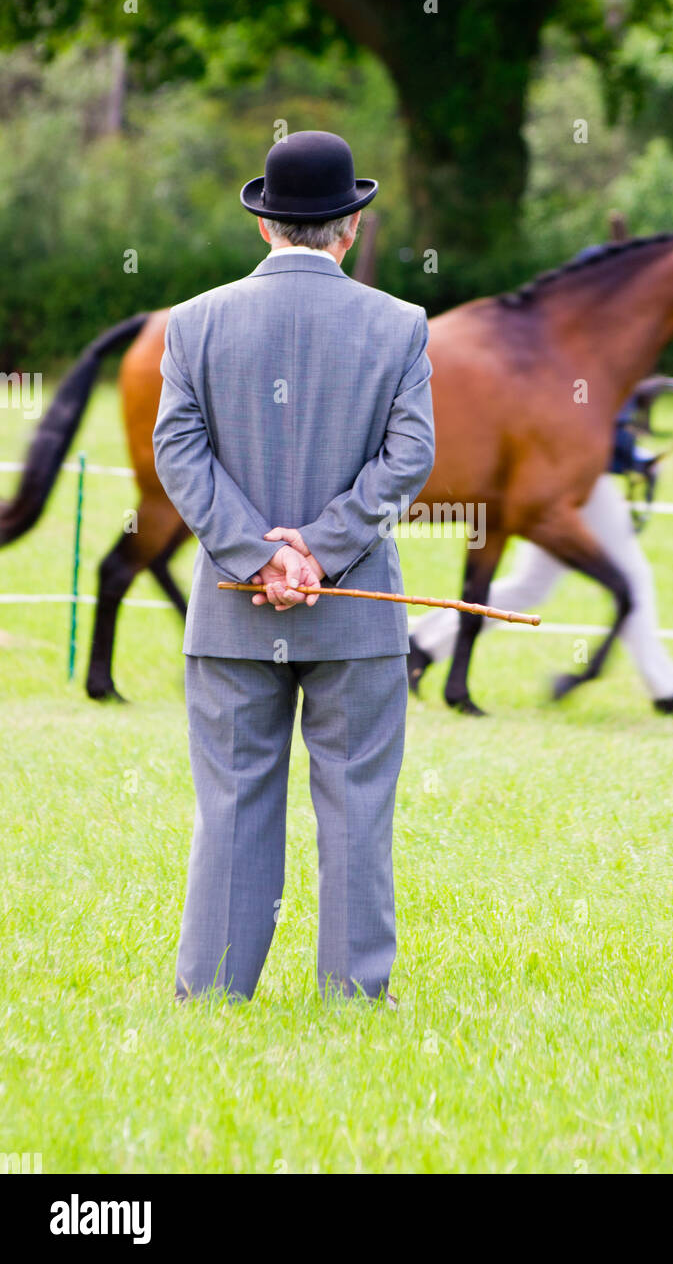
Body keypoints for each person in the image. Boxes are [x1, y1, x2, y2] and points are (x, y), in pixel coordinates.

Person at [153, 131, 435, 1005]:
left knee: (233, 804)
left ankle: (213, 994)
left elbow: (178, 452)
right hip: (354, 609)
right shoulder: (399, 325)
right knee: (356, 805)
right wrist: (319, 546)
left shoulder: (193, 323)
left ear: (265, 227)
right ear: (349, 227)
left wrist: (260, 554)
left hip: (236, 611)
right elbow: (410, 457)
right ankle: (354, 994)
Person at [408, 402, 673, 715]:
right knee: (630, 577)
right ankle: (667, 689)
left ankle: (422, 642)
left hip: (566, 473)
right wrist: (630, 455)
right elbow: (596, 413)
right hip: (580, 477)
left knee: (531, 585)